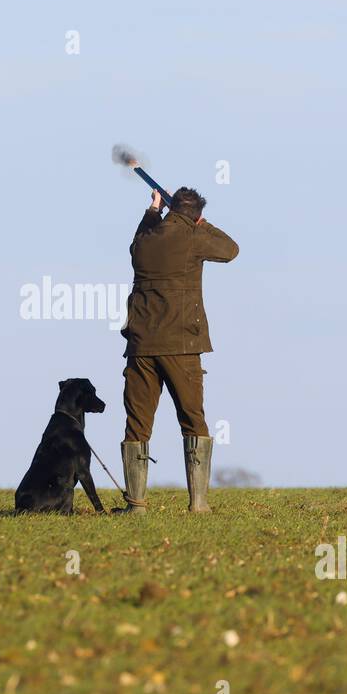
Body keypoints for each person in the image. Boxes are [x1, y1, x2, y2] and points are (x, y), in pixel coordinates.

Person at [120, 186, 238, 513]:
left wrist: (153, 210)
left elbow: (136, 244)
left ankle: (137, 505)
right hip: (182, 345)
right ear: (195, 215)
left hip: (141, 345)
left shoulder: (144, 241)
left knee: (137, 422)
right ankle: (198, 503)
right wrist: (201, 224)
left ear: (170, 209)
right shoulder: (194, 237)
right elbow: (231, 250)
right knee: (192, 419)